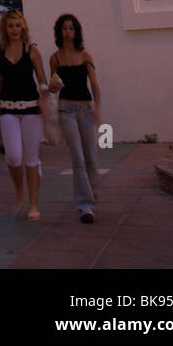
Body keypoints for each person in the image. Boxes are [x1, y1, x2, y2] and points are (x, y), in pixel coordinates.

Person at [0, 10, 49, 221]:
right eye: (10, 26)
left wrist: (48, 92)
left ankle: (34, 204)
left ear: (23, 28)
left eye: (17, 26)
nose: (14, 30)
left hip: (31, 109)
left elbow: (42, 80)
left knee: (31, 158)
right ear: (5, 28)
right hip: (8, 108)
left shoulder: (31, 51)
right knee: (13, 156)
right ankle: (20, 189)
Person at [49, 13, 102, 225]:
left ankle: (91, 195)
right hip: (66, 110)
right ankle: (85, 206)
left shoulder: (85, 56)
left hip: (86, 109)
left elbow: (95, 84)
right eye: (64, 28)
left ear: (76, 31)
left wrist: (98, 108)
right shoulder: (55, 58)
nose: (68, 32)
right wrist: (53, 86)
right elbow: (53, 86)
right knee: (78, 159)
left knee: (92, 159)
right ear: (59, 32)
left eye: (71, 28)